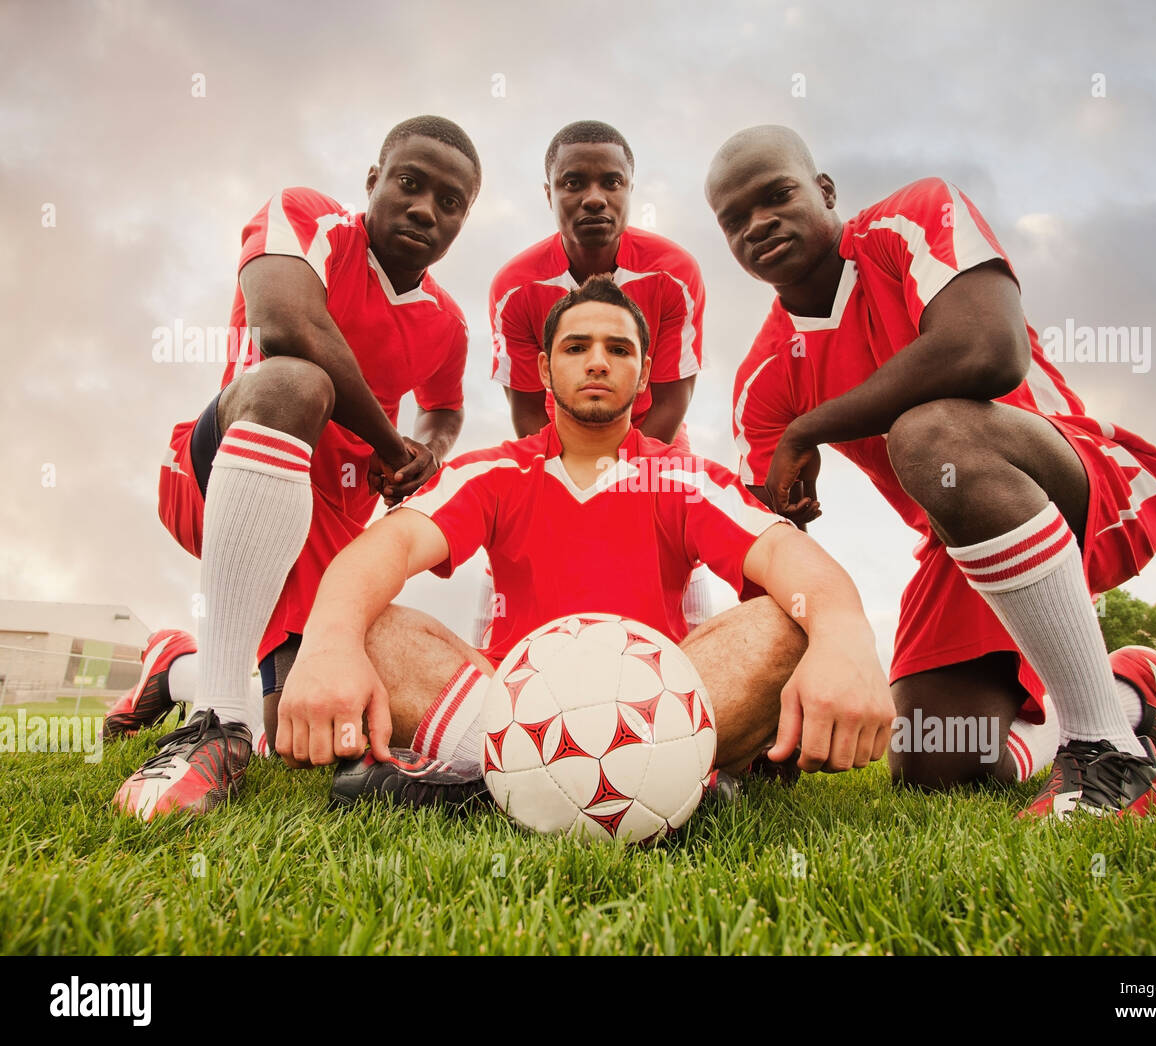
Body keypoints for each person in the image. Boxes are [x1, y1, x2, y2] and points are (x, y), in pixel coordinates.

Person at [706, 125, 1156, 819]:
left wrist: (811, 426)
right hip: (961, 546)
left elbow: (989, 350)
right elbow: (775, 556)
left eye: (776, 195)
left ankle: (1106, 752)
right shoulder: (762, 377)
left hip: (1082, 482)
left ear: (825, 190)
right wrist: (766, 704)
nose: (759, 223)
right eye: (733, 220)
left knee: (930, 432)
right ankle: (1126, 694)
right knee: (936, 757)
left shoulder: (910, 218)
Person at [275, 276, 895, 804]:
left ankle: (479, 792)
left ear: (644, 371)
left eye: (618, 349)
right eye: (576, 347)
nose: (597, 361)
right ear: (546, 367)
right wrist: (327, 648)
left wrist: (846, 641)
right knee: (374, 624)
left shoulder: (682, 476)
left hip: (652, 708)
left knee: (784, 625)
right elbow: (387, 549)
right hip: (507, 708)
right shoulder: (493, 471)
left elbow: (791, 556)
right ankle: (672, 792)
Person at [112, 116, 482, 820]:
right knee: (295, 383)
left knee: (302, 729)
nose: (426, 208)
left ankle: (176, 666)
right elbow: (290, 326)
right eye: (410, 184)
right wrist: (388, 443)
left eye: (450, 202)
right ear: (373, 181)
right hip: (224, 467)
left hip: (331, 528)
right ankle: (213, 726)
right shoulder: (308, 216)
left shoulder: (448, 323)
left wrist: (428, 449)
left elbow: (445, 408)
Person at [481, 120, 711, 643]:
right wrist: (571, 487)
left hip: (654, 443)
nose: (593, 198)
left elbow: (673, 398)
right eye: (573, 183)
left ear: (630, 189)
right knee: (518, 621)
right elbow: (525, 413)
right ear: (549, 193)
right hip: (550, 452)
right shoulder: (514, 286)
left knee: (684, 629)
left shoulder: (674, 270)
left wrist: (620, 484)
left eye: (611, 182)